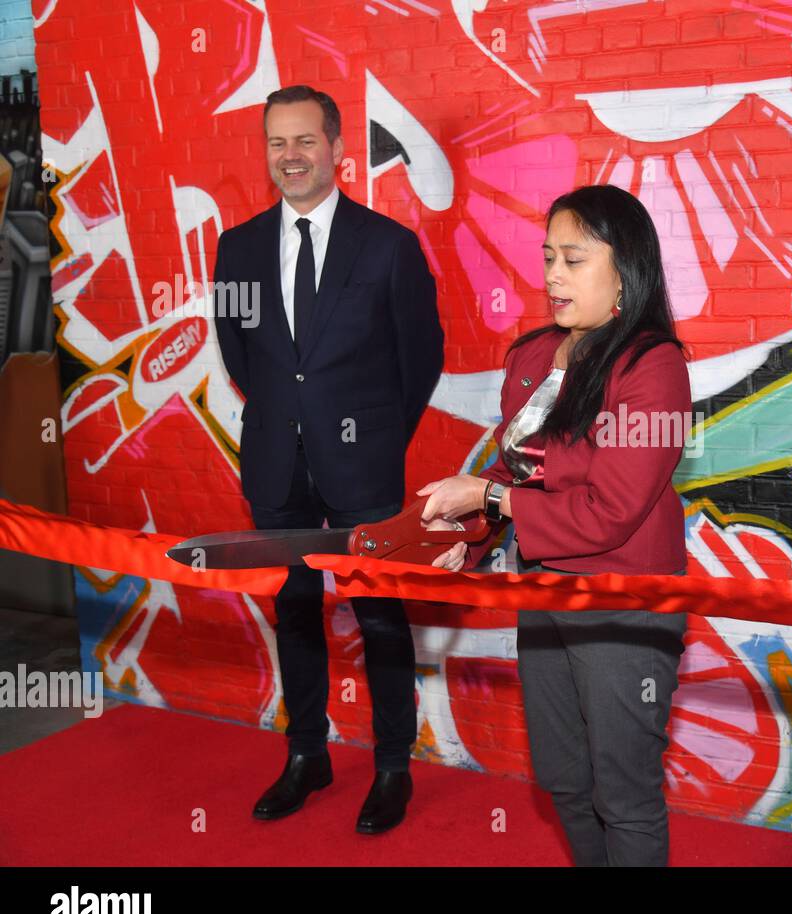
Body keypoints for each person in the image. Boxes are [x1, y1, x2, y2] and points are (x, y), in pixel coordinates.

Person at [417, 184, 692, 866]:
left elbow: (610, 511)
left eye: (574, 259)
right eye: (548, 258)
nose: (552, 276)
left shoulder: (655, 365)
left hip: (623, 603)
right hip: (543, 591)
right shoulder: (533, 355)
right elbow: (516, 473)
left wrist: (489, 496)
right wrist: (466, 539)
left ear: (625, 270)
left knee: (623, 793)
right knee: (563, 778)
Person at [212, 85, 443, 834]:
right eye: (277, 142)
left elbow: (421, 358)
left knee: (380, 616)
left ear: (338, 150)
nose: (291, 156)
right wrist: (287, 418)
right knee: (295, 612)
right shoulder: (238, 248)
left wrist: (373, 436)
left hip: (363, 465)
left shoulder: (387, 245)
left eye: (305, 141)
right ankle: (306, 755)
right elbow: (241, 355)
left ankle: (393, 765)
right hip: (275, 462)